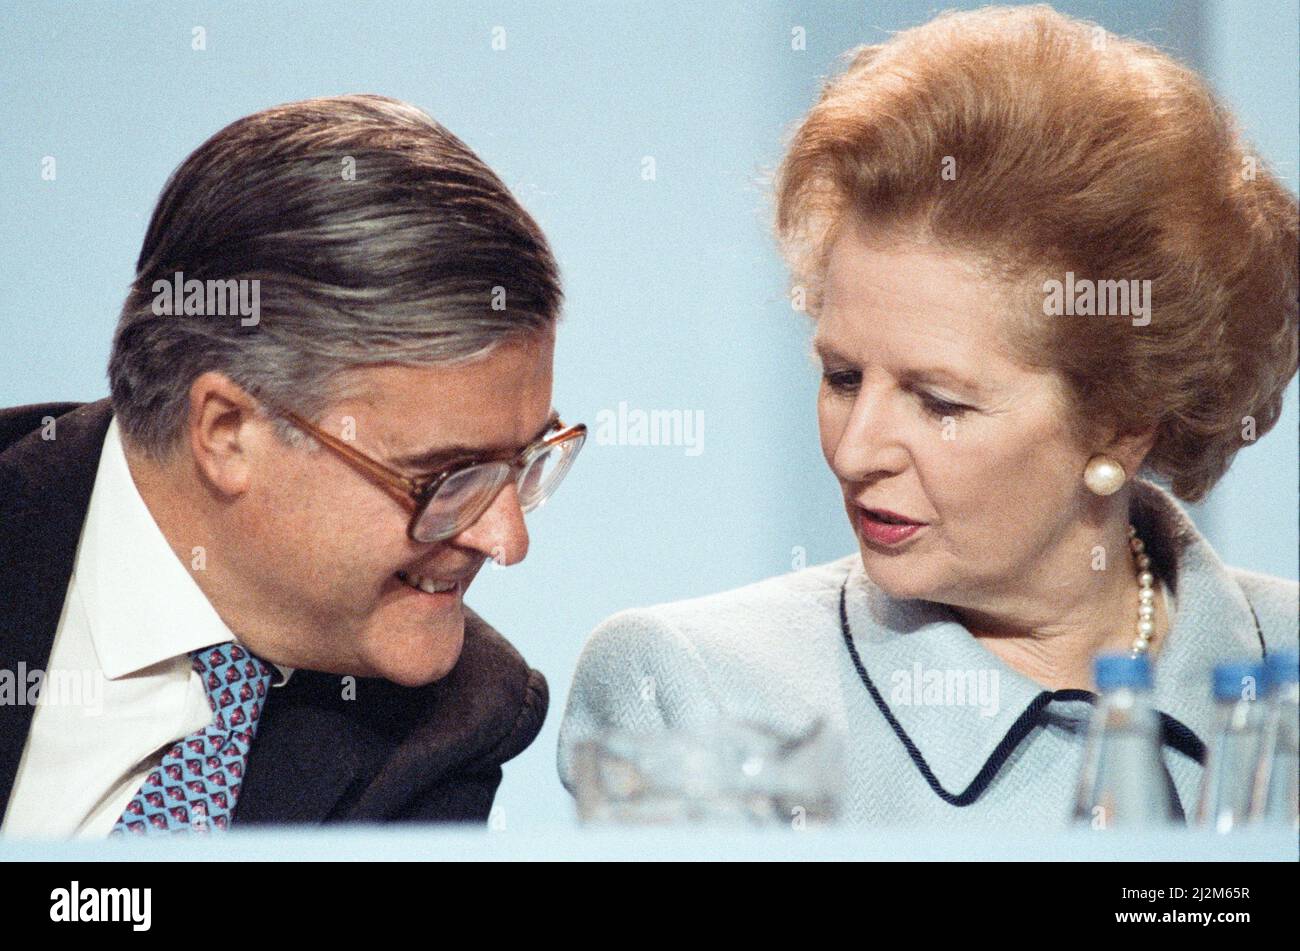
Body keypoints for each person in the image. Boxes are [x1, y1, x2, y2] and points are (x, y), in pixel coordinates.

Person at [558, 6, 1298, 827]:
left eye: (938, 401)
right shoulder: (693, 686)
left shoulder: (1282, 656)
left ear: (1122, 423)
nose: (855, 450)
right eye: (842, 376)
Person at [0, 94, 585, 836]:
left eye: (527, 460)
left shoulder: (454, 722)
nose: (507, 540)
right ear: (229, 430)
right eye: (449, 478)